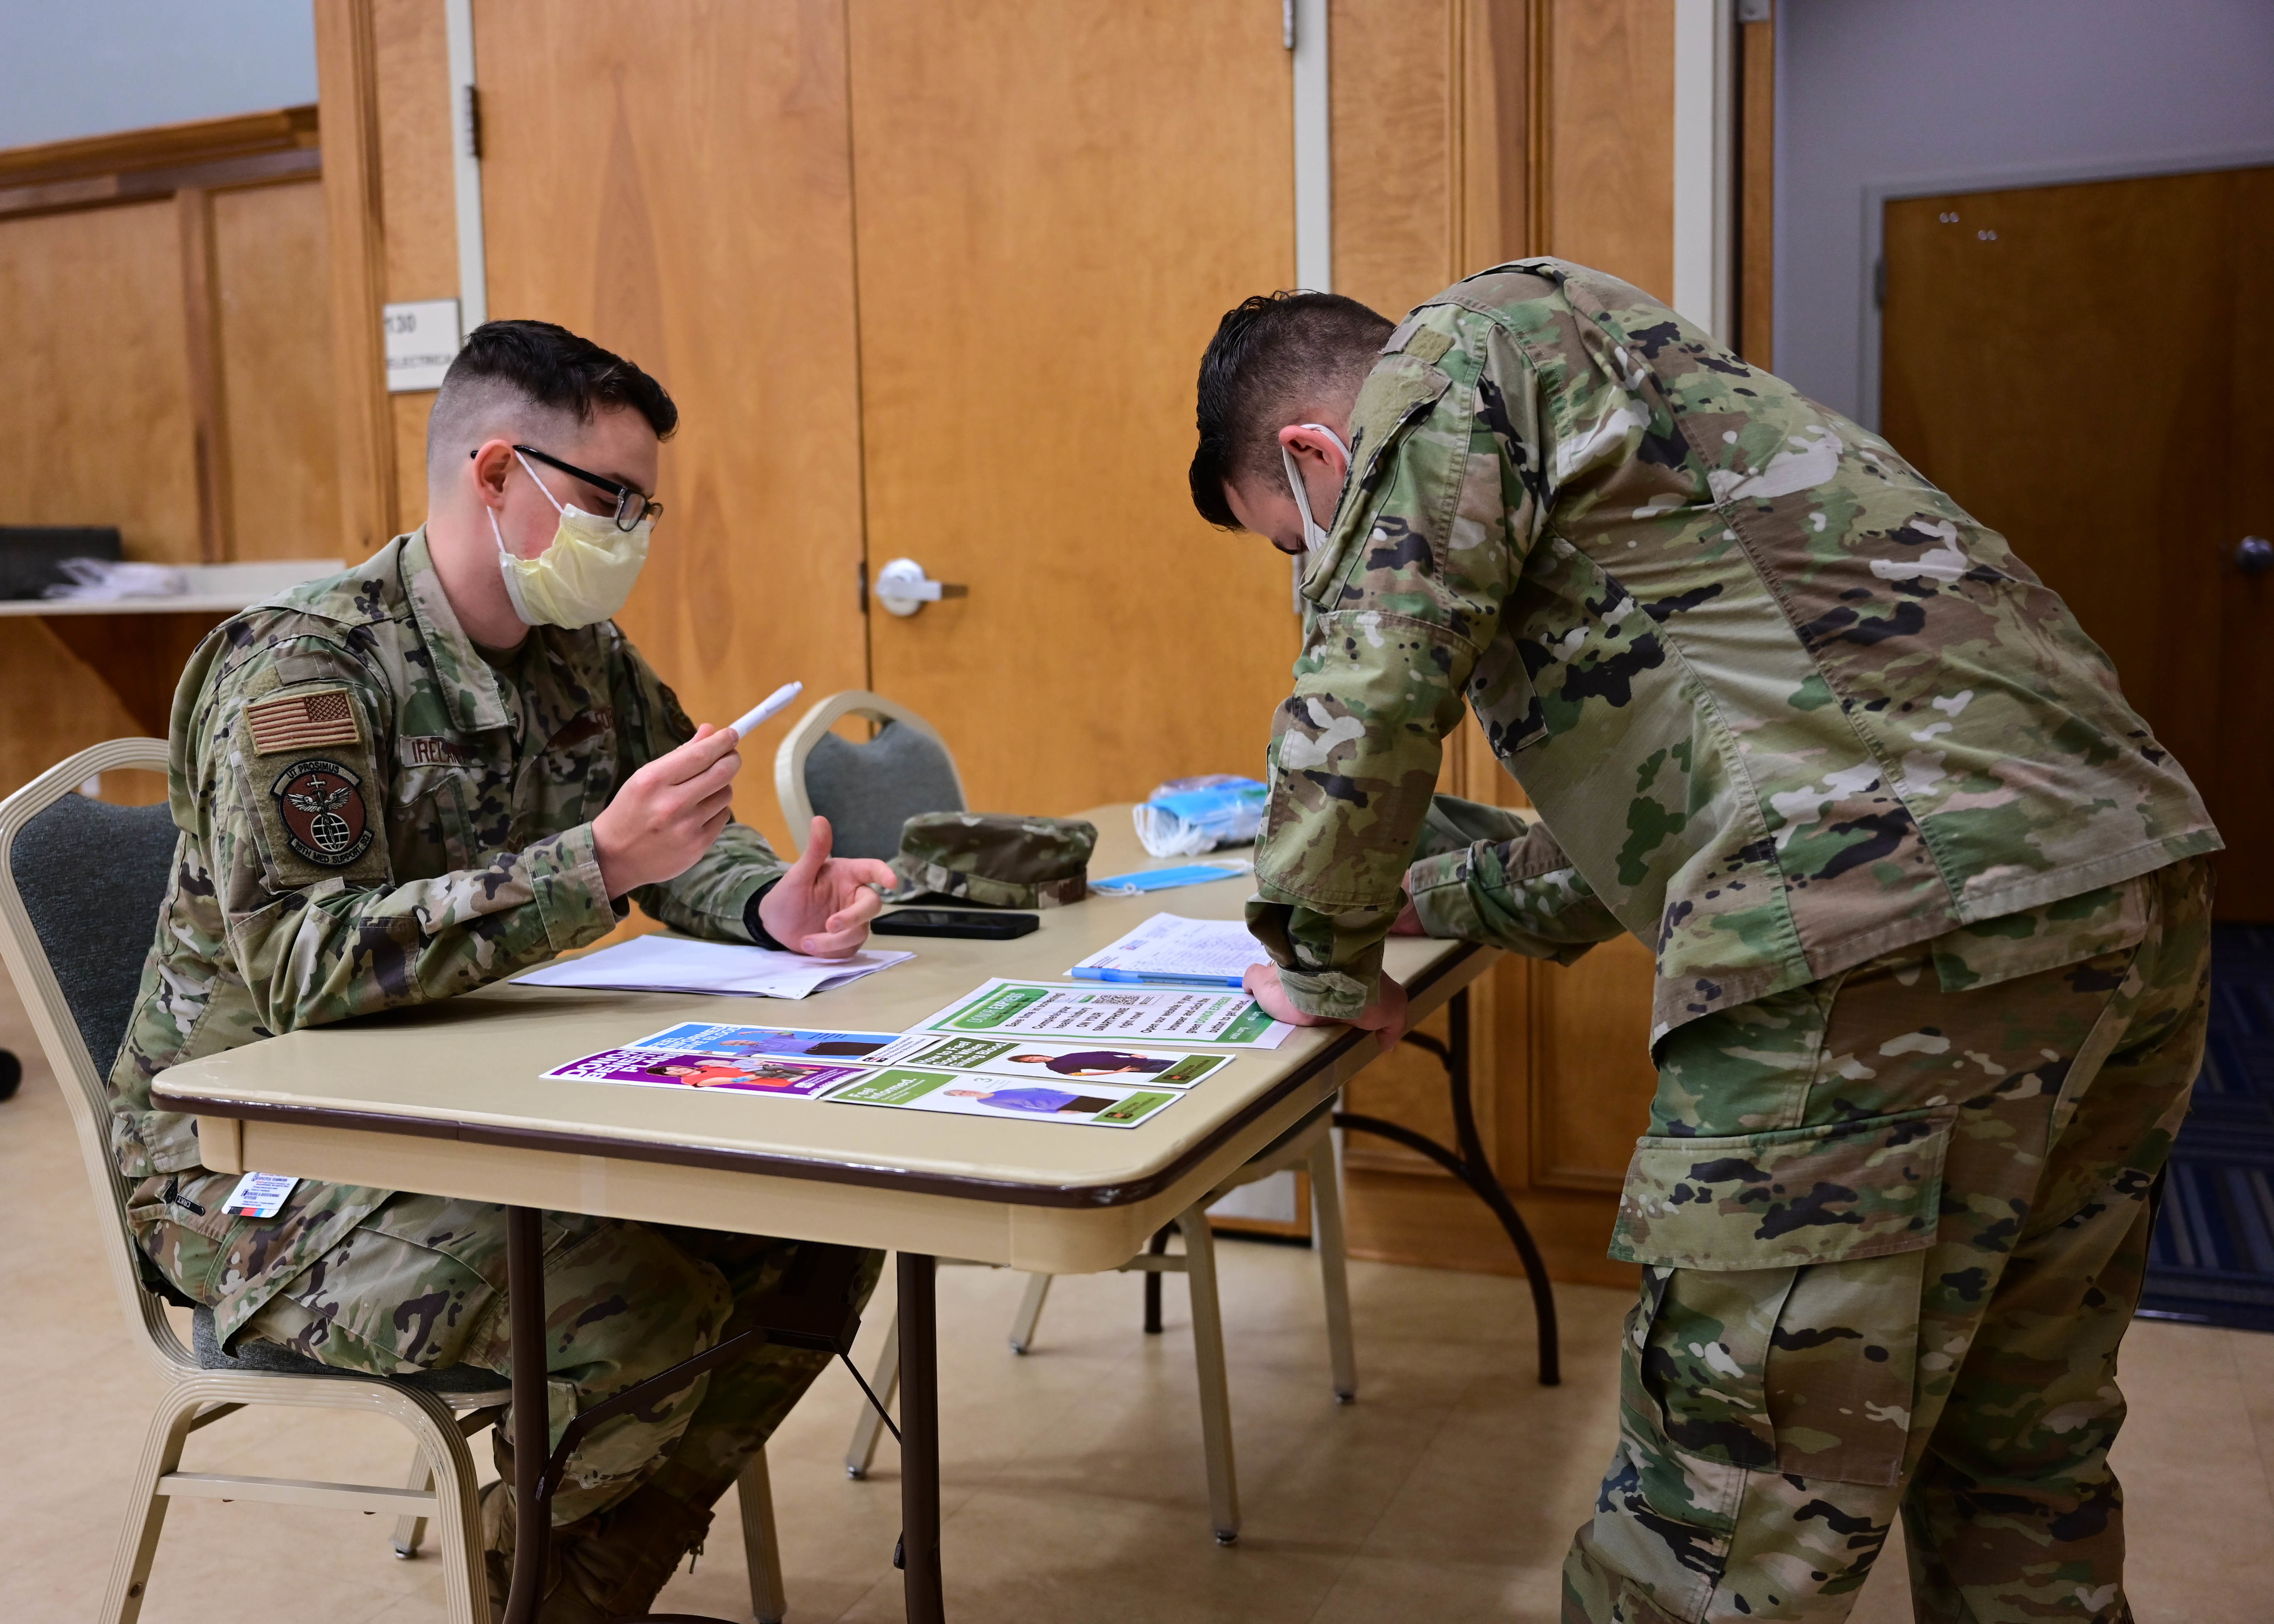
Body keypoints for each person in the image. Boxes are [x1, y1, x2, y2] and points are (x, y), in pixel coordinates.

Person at [1189, 263, 2219, 1624]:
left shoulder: (1457, 350)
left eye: (1290, 541)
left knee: (1724, 1522)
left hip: (1882, 949)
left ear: (1319, 456)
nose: (1311, 567)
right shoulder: (1637, 420)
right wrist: (1414, 902)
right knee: (2017, 1456)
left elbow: (1372, 675)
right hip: (2120, 897)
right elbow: (1661, 835)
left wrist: (1321, 967)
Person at [107, 319, 897, 1621]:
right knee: (636, 1316)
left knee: (821, 1240)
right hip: (256, 1170)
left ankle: (563, 1593)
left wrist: (767, 903)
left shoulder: (577, 653)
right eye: (606, 499)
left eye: (644, 505)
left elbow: (666, 842)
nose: (631, 532)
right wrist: (590, 864)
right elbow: (306, 965)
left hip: (470, 1107)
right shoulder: (304, 669)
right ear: (494, 475)